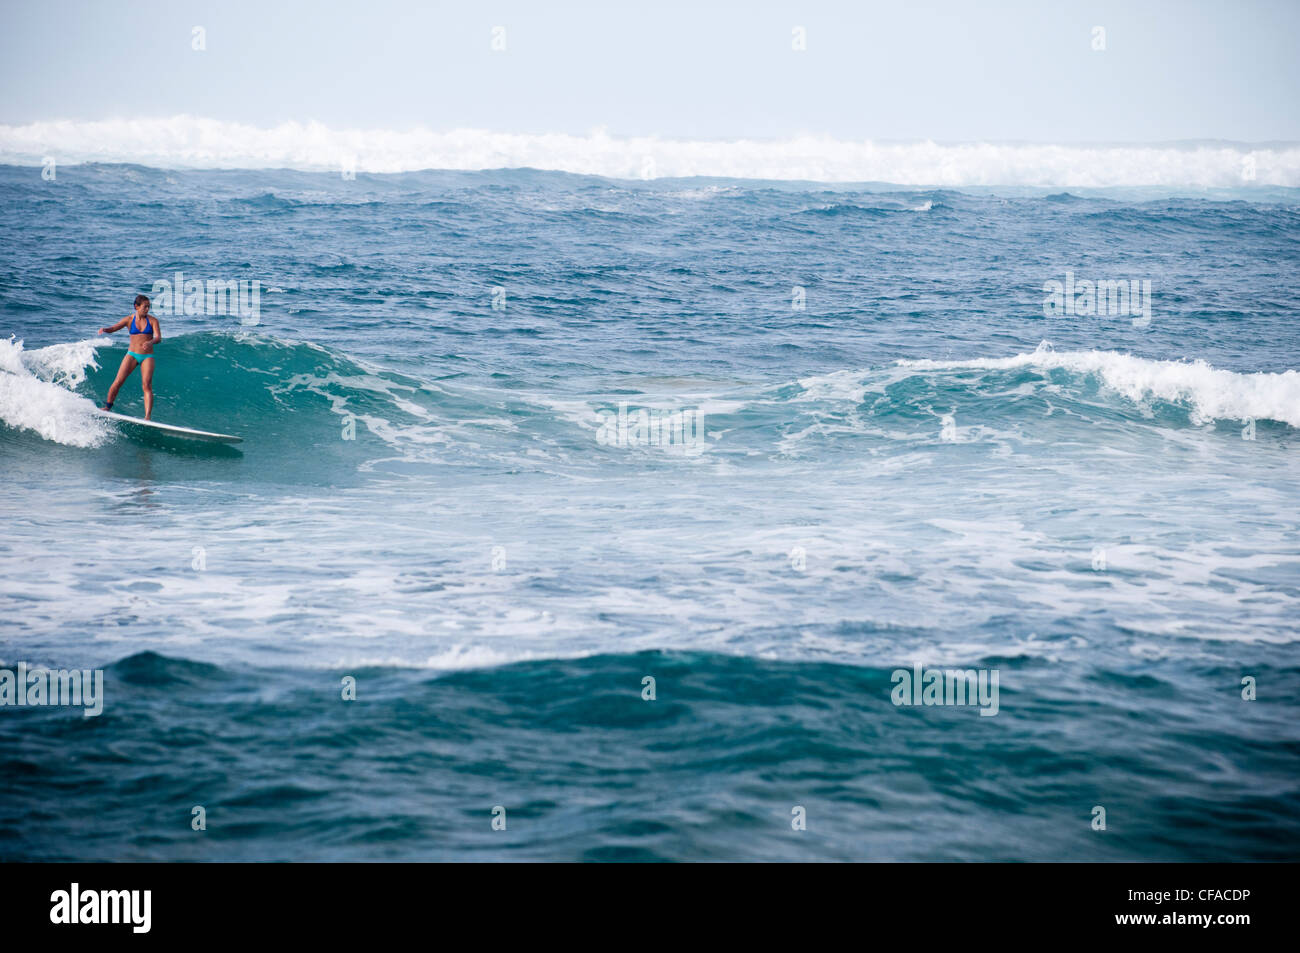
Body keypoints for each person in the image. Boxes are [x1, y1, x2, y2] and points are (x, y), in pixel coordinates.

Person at [99, 294, 162, 419]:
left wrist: (150, 342)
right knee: (118, 381)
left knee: (146, 385)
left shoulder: (153, 321)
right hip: (132, 354)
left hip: (147, 356)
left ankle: (147, 417)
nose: (147, 309)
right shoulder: (128, 320)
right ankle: (107, 407)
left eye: (149, 307)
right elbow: (114, 328)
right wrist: (105, 329)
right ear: (136, 306)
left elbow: (158, 338)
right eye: (145, 307)